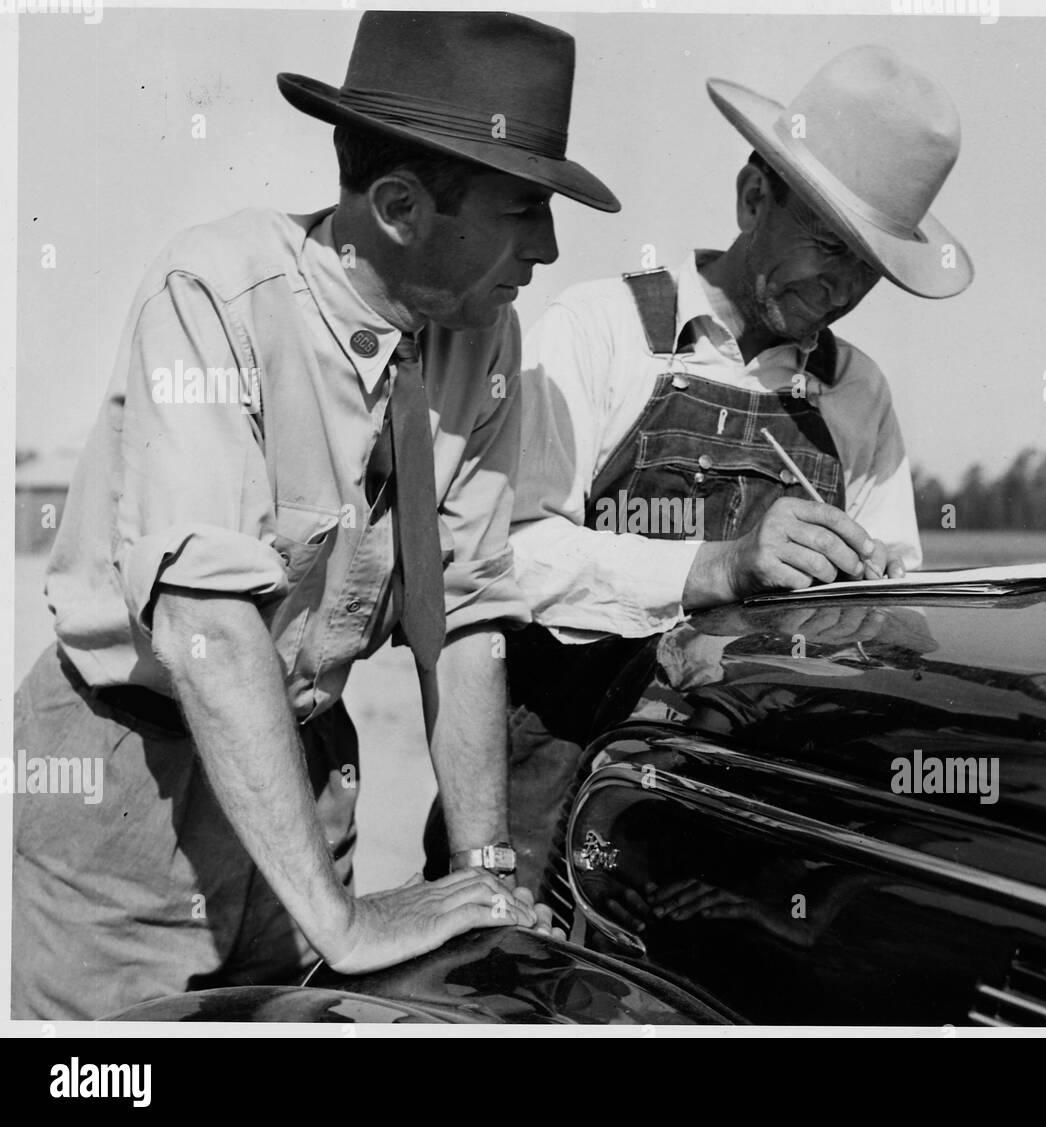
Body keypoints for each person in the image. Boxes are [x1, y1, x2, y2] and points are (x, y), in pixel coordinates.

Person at [11, 11, 619, 1021]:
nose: (549, 249)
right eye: (522, 210)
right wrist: (339, 918)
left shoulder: (482, 338)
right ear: (396, 204)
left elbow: (461, 614)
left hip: (304, 766)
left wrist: (481, 877)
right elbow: (204, 626)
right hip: (133, 786)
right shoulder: (216, 293)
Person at [497, 45, 974, 889]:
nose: (842, 288)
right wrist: (717, 564)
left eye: (868, 267)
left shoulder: (858, 392)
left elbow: (895, 610)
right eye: (829, 246)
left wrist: (880, 605)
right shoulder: (599, 328)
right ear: (754, 196)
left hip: (746, 824)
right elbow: (512, 556)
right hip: (556, 799)